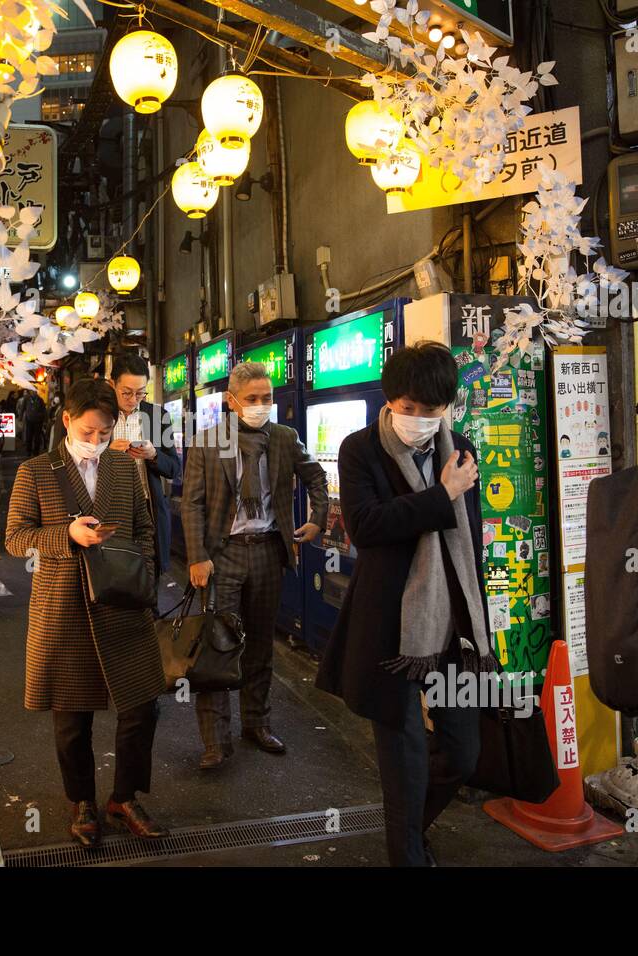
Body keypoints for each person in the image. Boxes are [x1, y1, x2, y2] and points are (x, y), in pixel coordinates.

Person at [315, 343, 496, 867]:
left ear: (448, 407)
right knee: (406, 764)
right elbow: (367, 528)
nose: (416, 419)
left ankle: (415, 832)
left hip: (452, 627)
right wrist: (441, 496)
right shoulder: (359, 449)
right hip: (389, 632)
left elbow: (470, 542)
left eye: (429, 410)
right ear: (390, 399)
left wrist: (479, 622)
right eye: (407, 407)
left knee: (463, 754)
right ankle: (408, 854)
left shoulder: (460, 448)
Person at [4, 378, 169, 849]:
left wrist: (147, 580)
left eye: (104, 432)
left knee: (141, 706)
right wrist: (66, 536)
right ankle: (82, 802)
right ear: (67, 420)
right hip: (64, 607)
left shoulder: (121, 465)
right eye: (88, 431)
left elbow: (143, 528)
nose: (96, 441)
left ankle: (124, 797)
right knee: (72, 717)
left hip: (123, 603)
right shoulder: (37, 471)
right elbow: (15, 538)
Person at [182, 361, 330, 769]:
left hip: (268, 549)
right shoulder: (208, 442)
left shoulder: (283, 438)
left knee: (260, 645)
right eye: (252, 399)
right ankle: (215, 741)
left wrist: (318, 518)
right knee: (217, 646)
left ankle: (257, 723)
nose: (261, 405)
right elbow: (192, 504)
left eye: (267, 398)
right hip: (222, 553)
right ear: (232, 402)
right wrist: (196, 556)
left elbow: (317, 478)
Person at [51, 354, 181, 580]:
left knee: (147, 575)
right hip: (103, 507)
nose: (133, 399)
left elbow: (174, 469)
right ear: (112, 384)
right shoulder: (92, 412)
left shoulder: (157, 416)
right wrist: (108, 451)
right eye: (127, 392)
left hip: (146, 508)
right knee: (107, 574)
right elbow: (60, 460)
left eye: (140, 392)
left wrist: (153, 455)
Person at [18, 388, 48, 456]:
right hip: (29, 420)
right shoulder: (27, 399)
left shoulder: (40, 400)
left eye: (35, 391)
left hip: (38, 421)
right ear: (30, 391)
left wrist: (45, 420)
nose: (34, 392)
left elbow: (44, 410)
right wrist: (20, 419)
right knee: (29, 436)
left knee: (37, 437)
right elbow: (22, 408)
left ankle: (36, 452)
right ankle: (28, 451)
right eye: (32, 390)